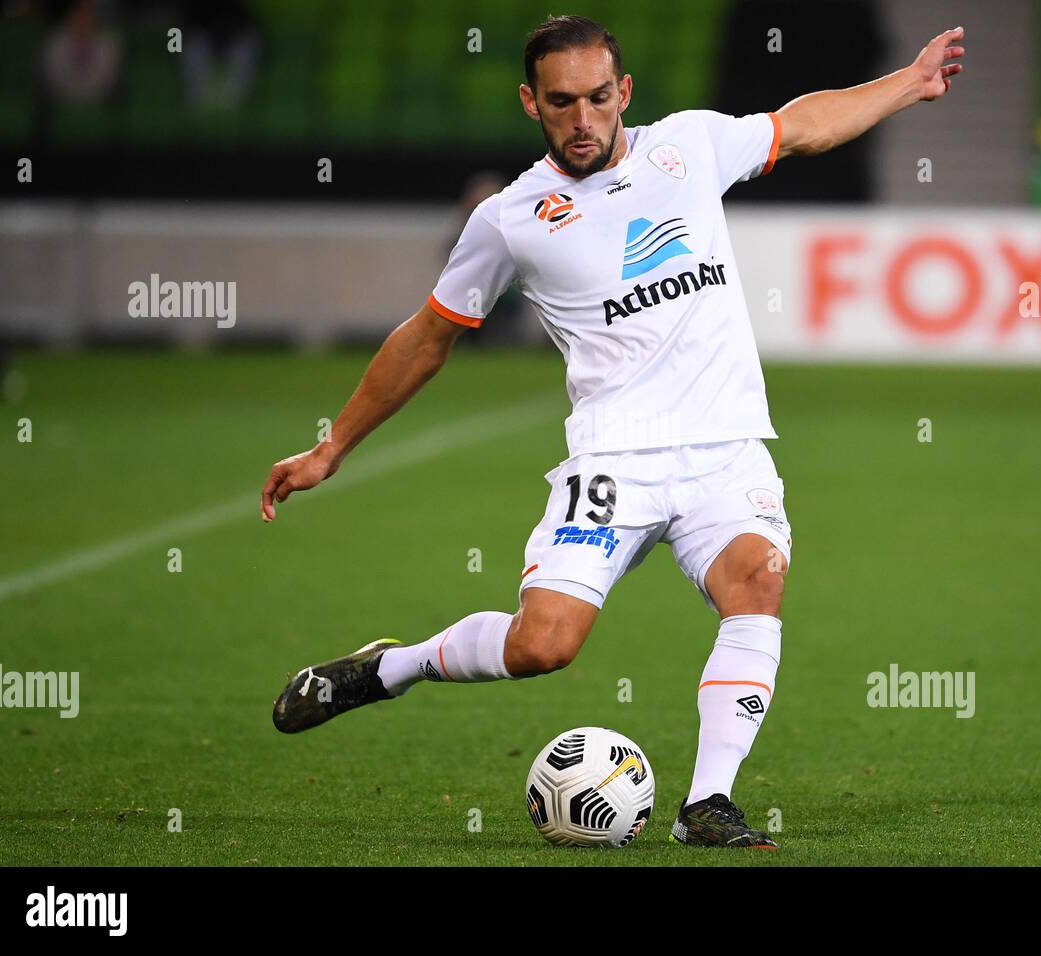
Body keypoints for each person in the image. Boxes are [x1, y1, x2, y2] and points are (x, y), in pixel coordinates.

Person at [262, 15, 965, 849]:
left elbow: (802, 124)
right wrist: (332, 445)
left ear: (624, 91)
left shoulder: (689, 147)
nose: (584, 118)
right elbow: (428, 335)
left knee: (758, 584)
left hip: (724, 448)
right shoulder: (510, 219)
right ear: (531, 102)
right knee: (542, 647)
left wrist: (908, 84)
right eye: (562, 102)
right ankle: (393, 665)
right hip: (614, 460)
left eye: (600, 97)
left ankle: (708, 803)